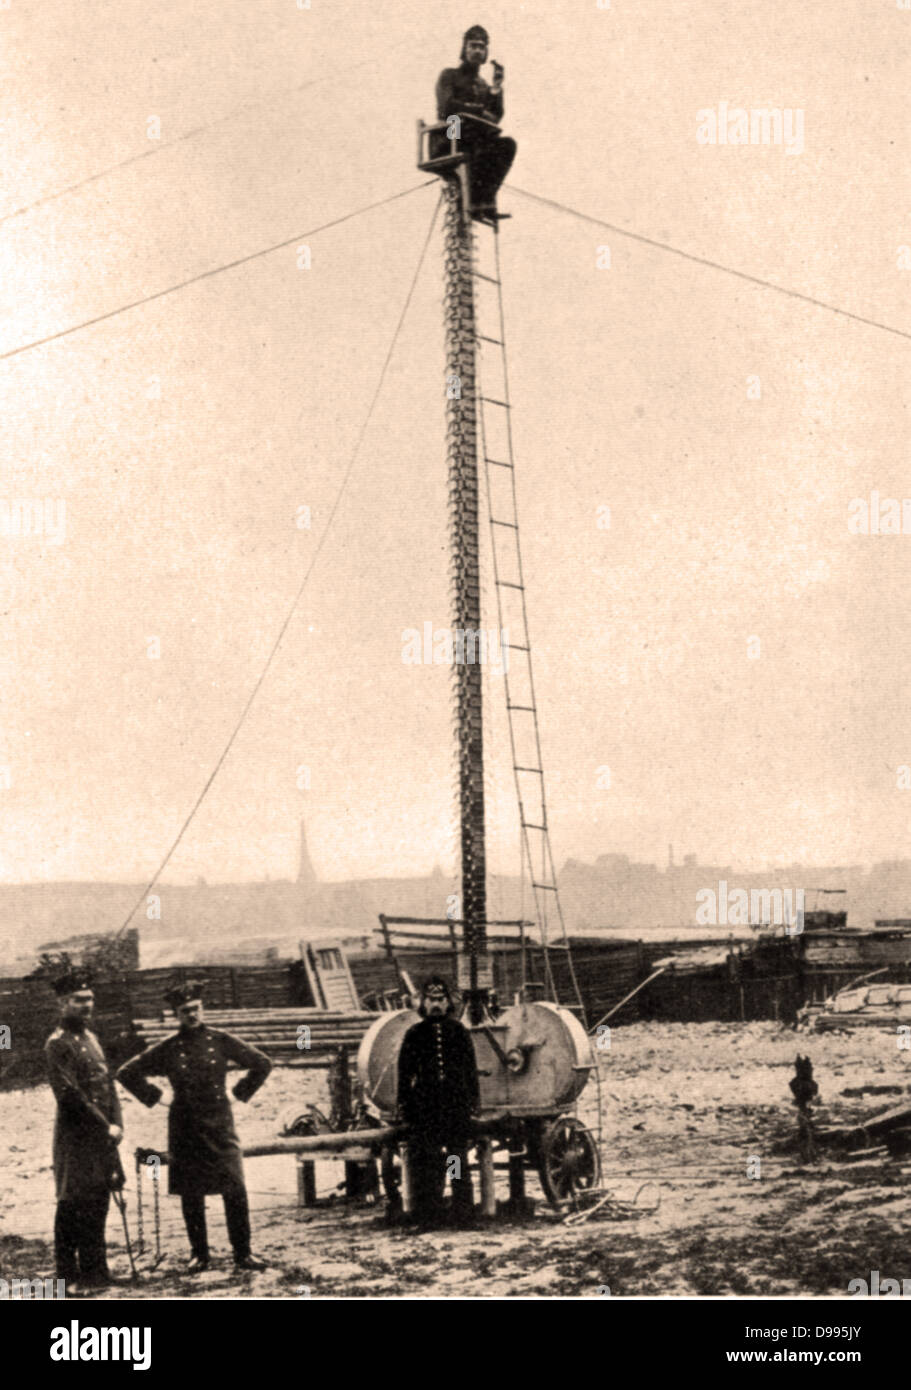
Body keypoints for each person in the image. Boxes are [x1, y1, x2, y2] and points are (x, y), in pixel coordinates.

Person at [116, 980, 272, 1272]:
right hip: (184, 1127)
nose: (192, 1015)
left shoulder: (221, 1039)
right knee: (191, 1192)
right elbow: (126, 1072)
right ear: (176, 1014)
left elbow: (262, 1062)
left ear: (203, 1008)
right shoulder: (168, 1047)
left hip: (221, 1125)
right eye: (185, 1010)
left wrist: (237, 1094)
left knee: (235, 1188)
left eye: (196, 1008)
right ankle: (199, 1254)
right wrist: (159, 1098)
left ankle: (244, 1253)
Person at [44, 970, 125, 1294]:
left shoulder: (91, 1038)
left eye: (89, 999)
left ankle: (97, 1271)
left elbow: (109, 1086)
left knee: (99, 1200)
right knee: (73, 1203)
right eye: (79, 1000)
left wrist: (118, 1124)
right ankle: (67, 1275)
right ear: (63, 1003)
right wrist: (106, 1126)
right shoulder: (56, 1044)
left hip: (102, 1136)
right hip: (76, 1138)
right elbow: (70, 1096)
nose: (87, 1004)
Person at [396, 975, 480, 1227]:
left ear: (447, 1003)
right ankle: (428, 1216)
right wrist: (404, 1105)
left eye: (440, 999)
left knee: (456, 1160)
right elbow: (404, 1073)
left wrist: (474, 1101)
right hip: (425, 1108)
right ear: (423, 1003)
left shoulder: (459, 1032)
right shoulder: (414, 1034)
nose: (436, 1005)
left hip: (454, 1107)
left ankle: (462, 1214)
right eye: (431, 1000)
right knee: (429, 1162)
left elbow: (470, 1070)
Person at [434, 25, 516, 220]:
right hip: (450, 134)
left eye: (481, 47)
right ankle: (475, 202)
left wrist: (496, 88)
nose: (478, 50)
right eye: (473, 46)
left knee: (506, 145)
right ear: (465, 48)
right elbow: (447, 107)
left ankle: (484, 202)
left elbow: (495, 116)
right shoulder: (449, 75)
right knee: (476, 137)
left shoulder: (482, 85)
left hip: (473, 138)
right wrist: (478, 111)